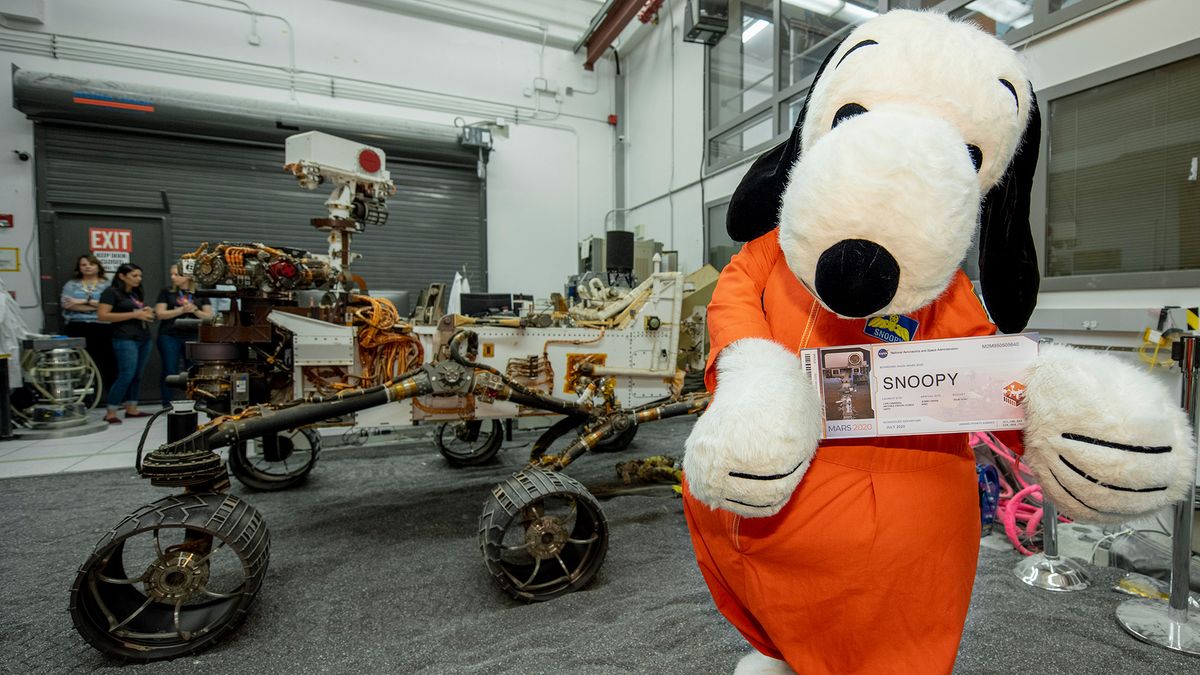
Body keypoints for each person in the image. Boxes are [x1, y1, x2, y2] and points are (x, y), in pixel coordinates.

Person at [97, 263, 155, 424]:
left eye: (140, 276)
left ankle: (132, 408)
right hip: (124, 338)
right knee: (126, 374)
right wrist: (134, 314)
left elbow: (138, 312)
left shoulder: (135, 293)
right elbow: (102, 315)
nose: (138, 279)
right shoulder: (111, 292)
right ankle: (111, 411)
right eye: (134, 276)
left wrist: (146, 313)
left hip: (143, 337)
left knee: (137, 375)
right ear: (122, 276)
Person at [155, 264, 212, 406]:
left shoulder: (199, 293)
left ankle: (196, 399)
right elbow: (160, 314)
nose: (172, 277)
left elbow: (209, 317)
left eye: (176, 274)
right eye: (171, 274)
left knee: (194, 369)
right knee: (170, 369)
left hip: (193, 335)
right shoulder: (167, 292)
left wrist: (194, 310)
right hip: (170, 335)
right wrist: (181, 310)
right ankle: (167, 402)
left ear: (187, 276)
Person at [60, 255, 116, 396]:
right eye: (83, 265)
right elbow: (67, 304)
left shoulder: (108, 284)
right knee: (81, 362)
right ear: (79, 268)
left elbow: (112, 305)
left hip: (102, 326)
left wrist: (80, 302)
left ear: (98, 266)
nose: (87, 267)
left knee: (106, 362)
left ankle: (108, 396)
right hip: (77, 326)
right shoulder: (72, 284)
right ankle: (84, 396)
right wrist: (96, 305)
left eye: (91, 264)